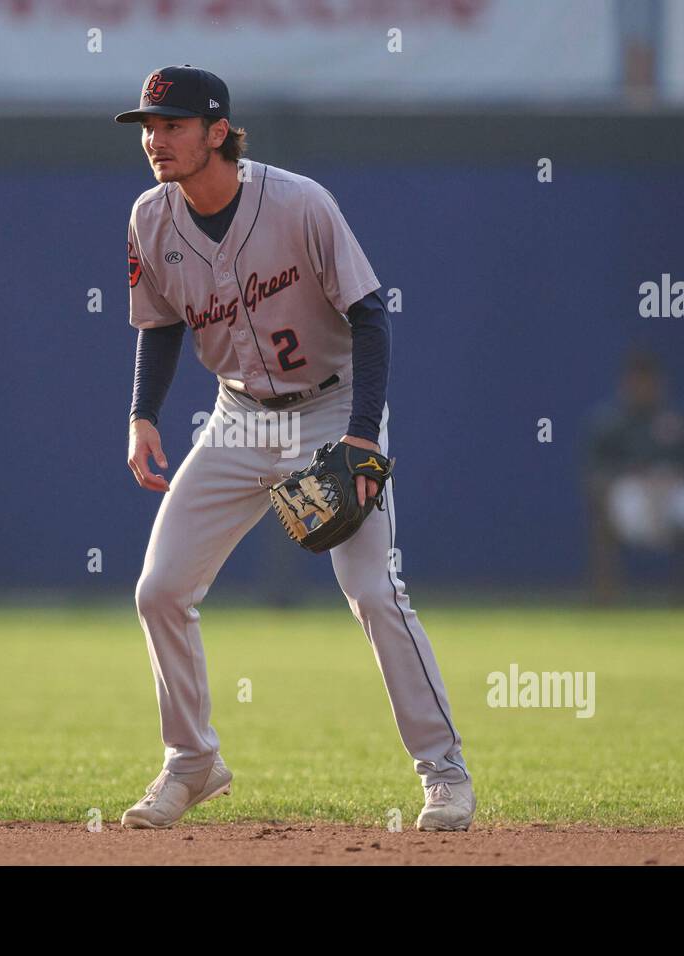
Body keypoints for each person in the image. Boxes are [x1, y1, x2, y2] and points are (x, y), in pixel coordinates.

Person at [116, 66, 474, 831]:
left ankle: (444, 774)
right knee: (160, 590)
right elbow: (161, 322)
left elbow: (371, 318)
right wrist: (143, 413)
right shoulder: (150, 217)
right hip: (238, 415)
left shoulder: (300, 203)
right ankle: (193, 762)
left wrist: (360, 435)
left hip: (332, 406)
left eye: (172, 125)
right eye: (149, 126)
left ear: (218, 131)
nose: (155, 139)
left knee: (375, 592)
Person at [584, 351, 684, 597]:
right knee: (638, 512)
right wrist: (636, 476)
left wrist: (676, 476)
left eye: (648, 380)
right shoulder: (610, 423)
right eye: (637, 380)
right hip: (631, 491)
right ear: (626, 383)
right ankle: (655, 527)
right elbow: (595, 473)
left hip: (675, 491)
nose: (643, 387)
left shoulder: (679, 419)